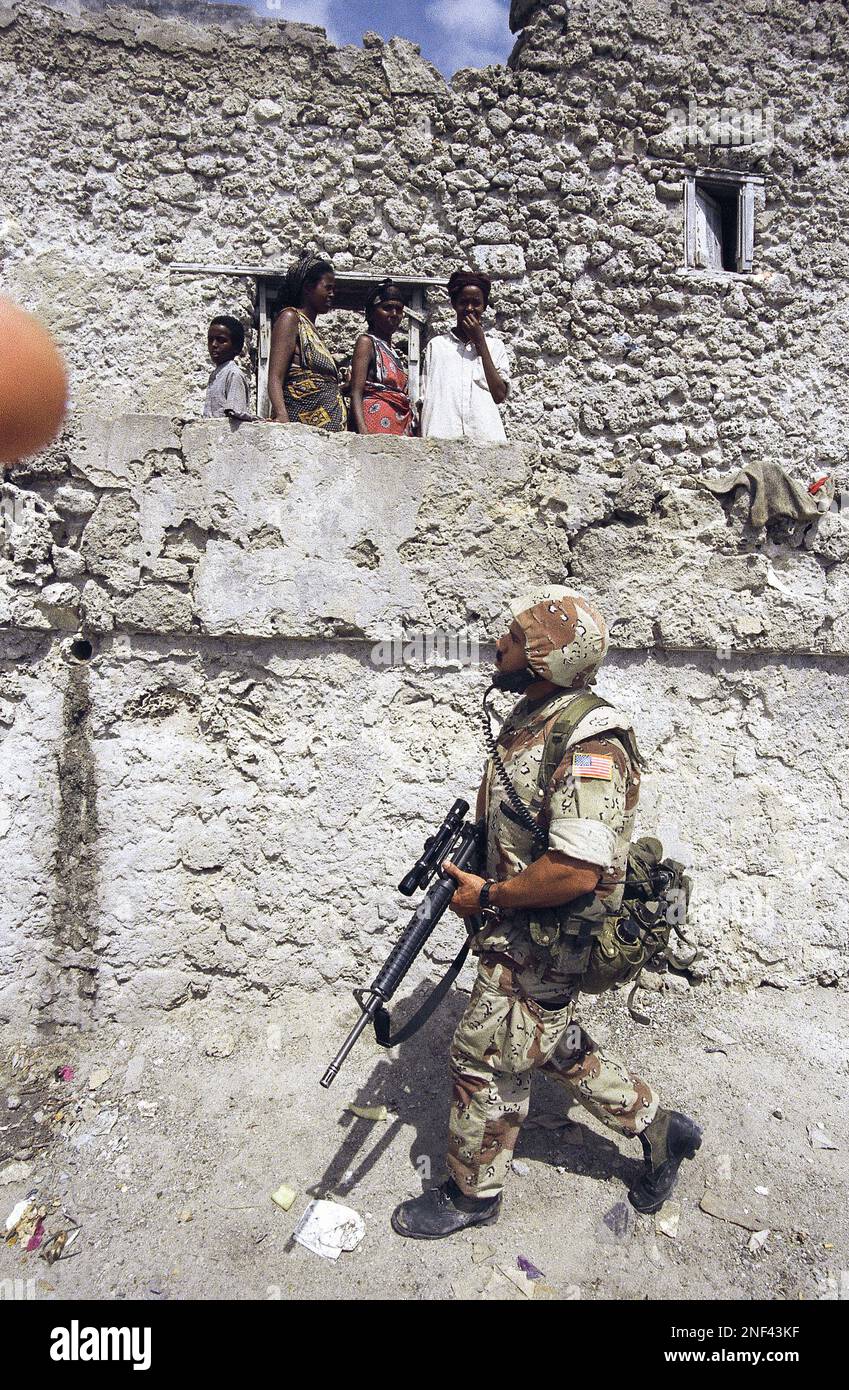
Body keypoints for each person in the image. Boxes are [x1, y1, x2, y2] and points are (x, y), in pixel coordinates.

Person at [391, 586, 701, 1239]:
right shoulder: (532, 714)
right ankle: (660, 1129)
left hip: (545, 931)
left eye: (512, 637)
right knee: (548, 1042)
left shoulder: (592, 745)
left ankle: (472, 1194)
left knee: (484, 1054)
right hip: (515, 925)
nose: (497, 645)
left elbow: (576, 868)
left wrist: (493, 897)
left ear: (545, 658)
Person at [419, 269, 510, 443]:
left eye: (476, 303)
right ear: (454, 304)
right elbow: (424, 398)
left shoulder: (495, 347)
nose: (469, 308)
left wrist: (480, 342)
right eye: (463, 302)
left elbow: (499, 394)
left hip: (485, 439)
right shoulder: (437, 346)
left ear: (484, 306)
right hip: (442, 438)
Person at [267, 251, 346, 432]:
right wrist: (281, 416)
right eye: (328, 288)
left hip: (327, 433)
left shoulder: (312, 331)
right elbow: (275, 376)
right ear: (308, 288)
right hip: (301, 428)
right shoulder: (290, 318)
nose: (332, 294)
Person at [349, 280, 414, 436]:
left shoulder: (395, 353)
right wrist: (363, 432)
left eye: (399, 310)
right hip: (373, 423)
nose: (394, 314)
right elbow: (355, 392)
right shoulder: (367, 342)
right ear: (371, 313)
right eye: (387, 308)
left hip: (396, 426)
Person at [204, 316, 250, 418]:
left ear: (236, 347)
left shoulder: (233, 375)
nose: (214, 344)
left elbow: (236, 418)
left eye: (221, 340)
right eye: (210, 340)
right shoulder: (216, 374)